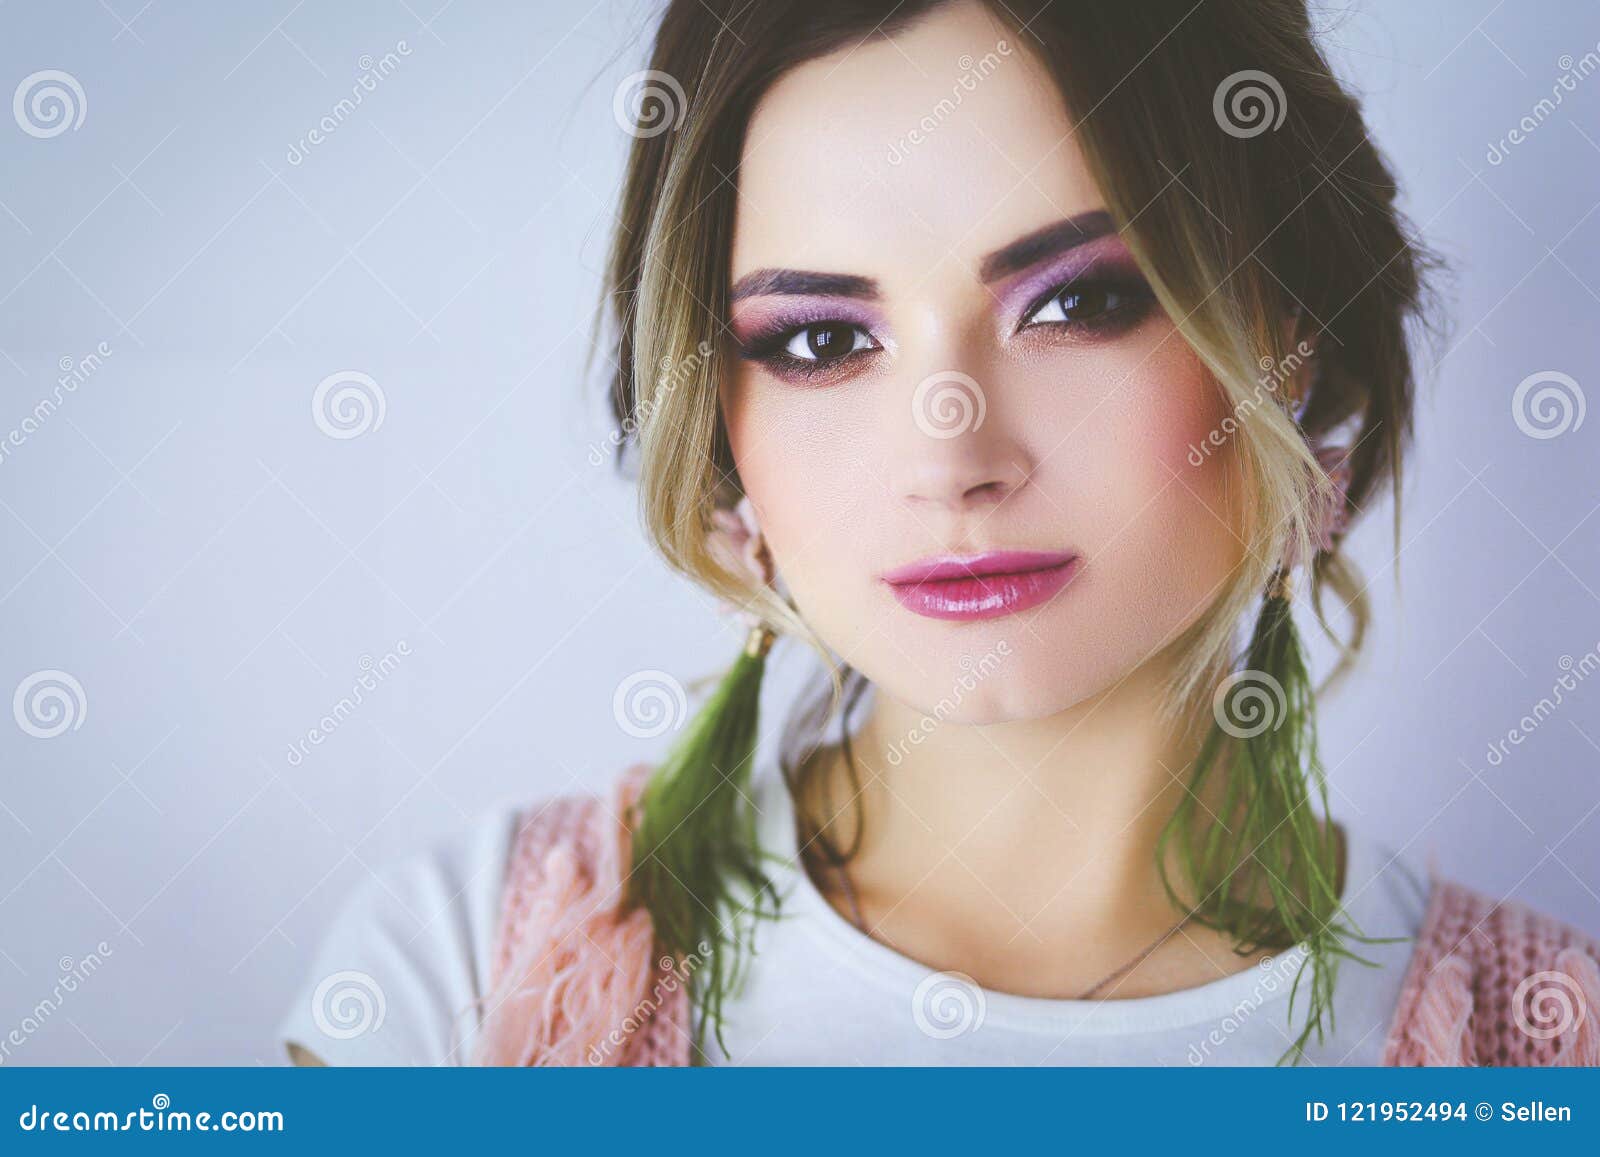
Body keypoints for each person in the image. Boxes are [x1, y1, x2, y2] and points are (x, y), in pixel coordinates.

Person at [278, 0, 1600, 1067]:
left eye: (1080, 304)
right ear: (719, 427)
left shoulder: (1549, 1045)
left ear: (1287, 340)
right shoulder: (467, 978)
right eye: (819, 340)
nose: (954, 455)